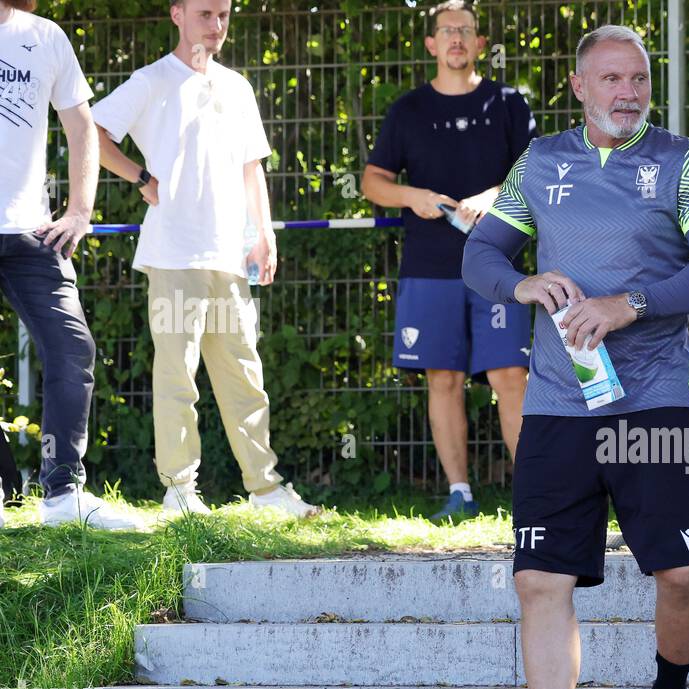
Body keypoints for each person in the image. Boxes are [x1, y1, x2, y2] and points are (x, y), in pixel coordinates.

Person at [463, 24, 689, 689]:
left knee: (682, 574)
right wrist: (521, 285)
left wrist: (631, 304)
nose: (628, 92)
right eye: (611, 79)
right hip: (558, 407)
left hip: (653, 401)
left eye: (639, 79)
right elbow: (481, 255)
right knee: (539, 581)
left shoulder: (680, 161)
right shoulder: (541, 161)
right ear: (580, 87)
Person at [91, 0, 319, 519]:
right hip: (173, 255)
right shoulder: (150, 81)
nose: (215, 25)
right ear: (177, 14)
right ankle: (179, 494)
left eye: (223, 15)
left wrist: (264, 233)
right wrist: (140, 178)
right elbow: (92, 133)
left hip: (231, 258)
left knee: (245, 376)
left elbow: (251, 168)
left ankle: (266, 492)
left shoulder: (237, 86)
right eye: (204, 14)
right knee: (177, 377)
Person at [363, 1, 535, 521]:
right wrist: (411, 195)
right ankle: (459, 494)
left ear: (480, 43)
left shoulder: (508, 102)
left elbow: (533, 174)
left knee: (511, 376)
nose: (457, 38)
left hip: (498, 266)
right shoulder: (408, 109)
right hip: (430, 266)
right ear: (432, 44)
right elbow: (373, 182)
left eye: (466, 30)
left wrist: (492, 197)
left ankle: (537, 498)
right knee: (443, 378)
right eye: (447, 31)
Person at [0, 0, 138, 529]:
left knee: (72, 348)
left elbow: (82, 127)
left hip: (32, 231)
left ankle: (62, 495)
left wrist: (80, 211)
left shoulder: (46, 36)